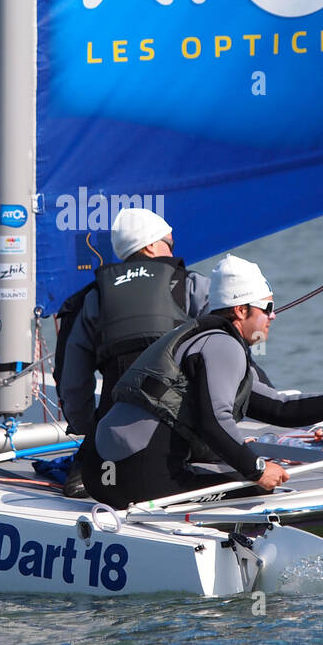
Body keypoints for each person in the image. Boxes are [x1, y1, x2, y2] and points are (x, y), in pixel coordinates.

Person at [84, 255, 323, 508]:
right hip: (138, 481)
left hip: (99, 476)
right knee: (256, 488)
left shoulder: (200, 340)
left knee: (231, 468)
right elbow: (214, 423)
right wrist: (257, 470)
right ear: (241, 310)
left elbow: (280, 408)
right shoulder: (224, 346)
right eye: (267, 308)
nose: (273, 316)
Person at [54, 208, 209, 497]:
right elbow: (228, 350)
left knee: (88, 476)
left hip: (112, 435)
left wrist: (86, 427)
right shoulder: (193, 286)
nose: (173, 251)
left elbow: (71, 380)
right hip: (182, 432)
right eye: (170, 244)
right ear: (150, 247)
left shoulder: (93, 297)